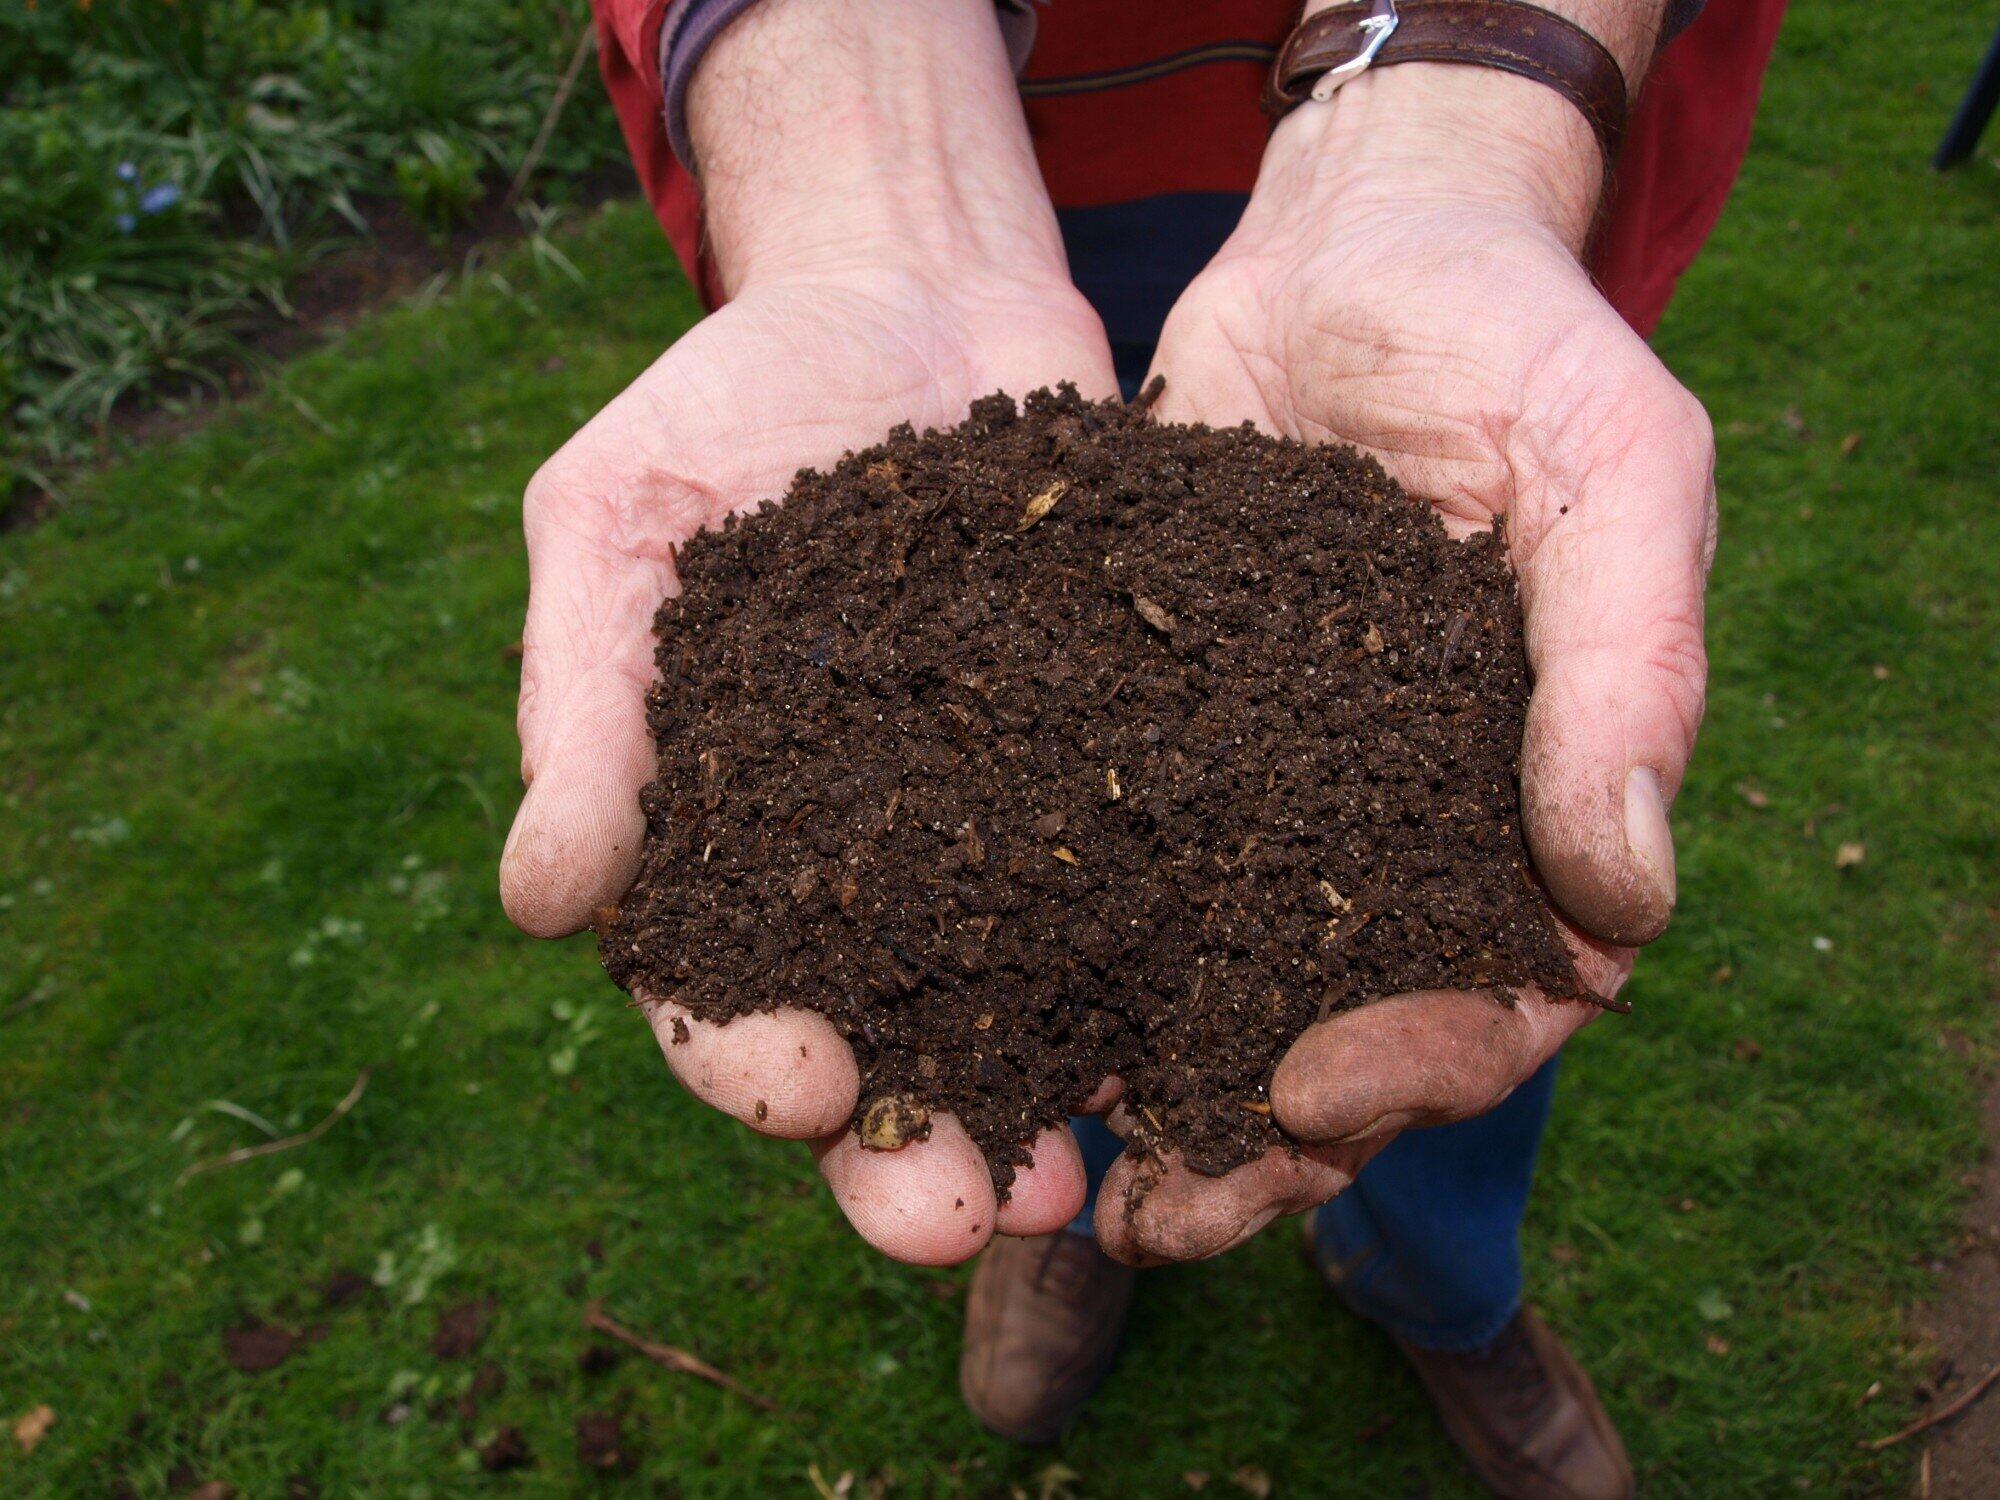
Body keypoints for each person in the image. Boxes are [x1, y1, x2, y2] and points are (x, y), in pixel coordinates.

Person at [500, 1, 1786, 1493]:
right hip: (997, 137)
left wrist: (1457, 120)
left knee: (1461, 930)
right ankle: (1070, 1201)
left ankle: (1440, 1287)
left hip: (1477, 138)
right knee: (1073, 989)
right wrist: (866, 159)